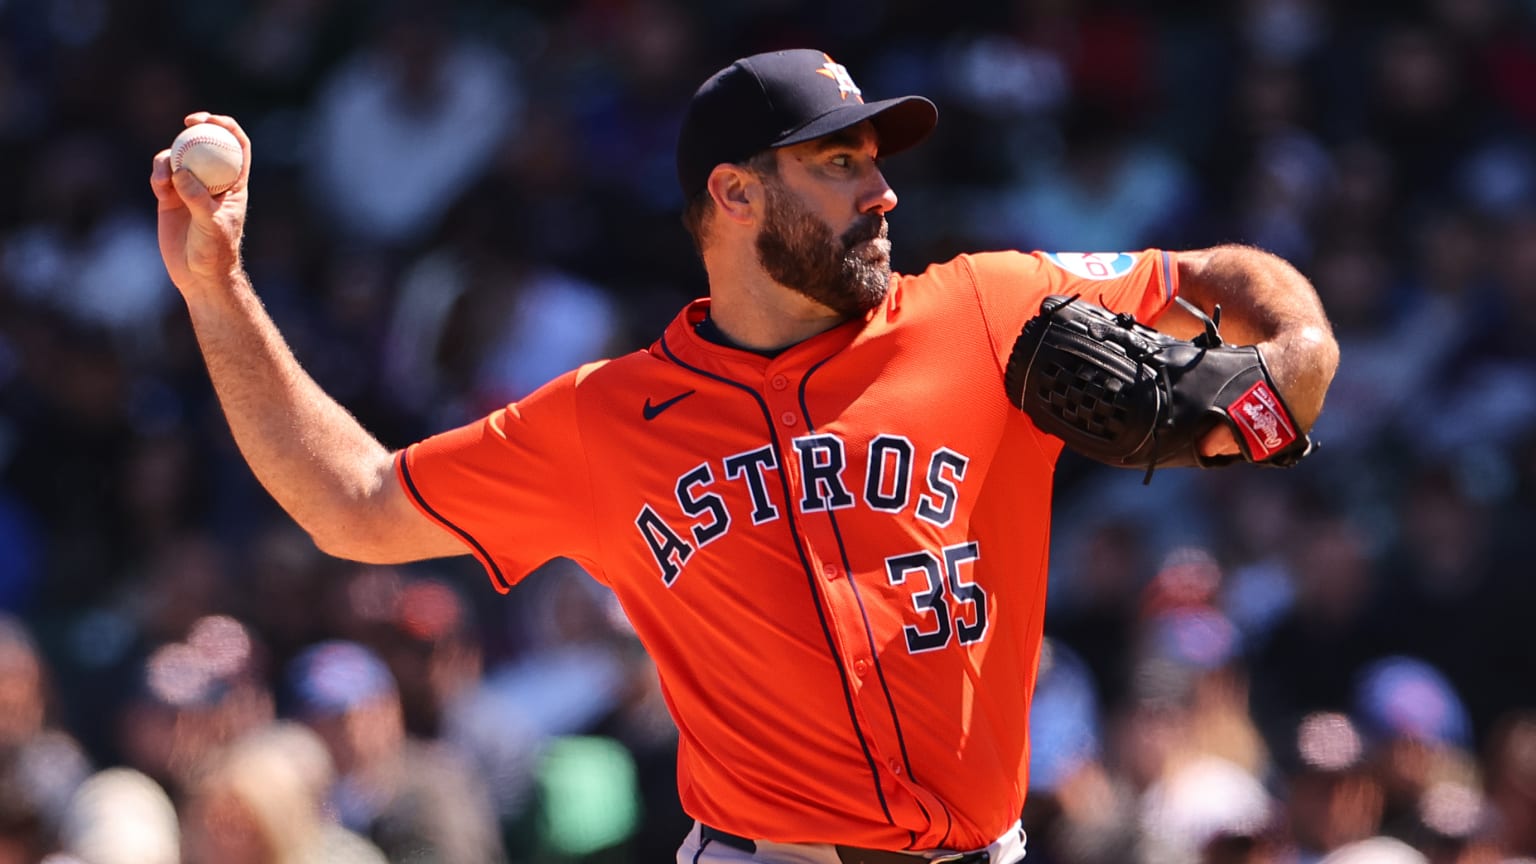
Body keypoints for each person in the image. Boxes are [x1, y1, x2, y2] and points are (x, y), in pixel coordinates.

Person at [150, 47, 1338, 864]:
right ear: (734, 194)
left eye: (877, 160)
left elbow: (1216, 277)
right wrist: (217, 290)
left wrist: (1296, 355)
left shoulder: (990, 309)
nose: (882, 193)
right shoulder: (607, 418)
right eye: (839, 164)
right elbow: (354, 502)